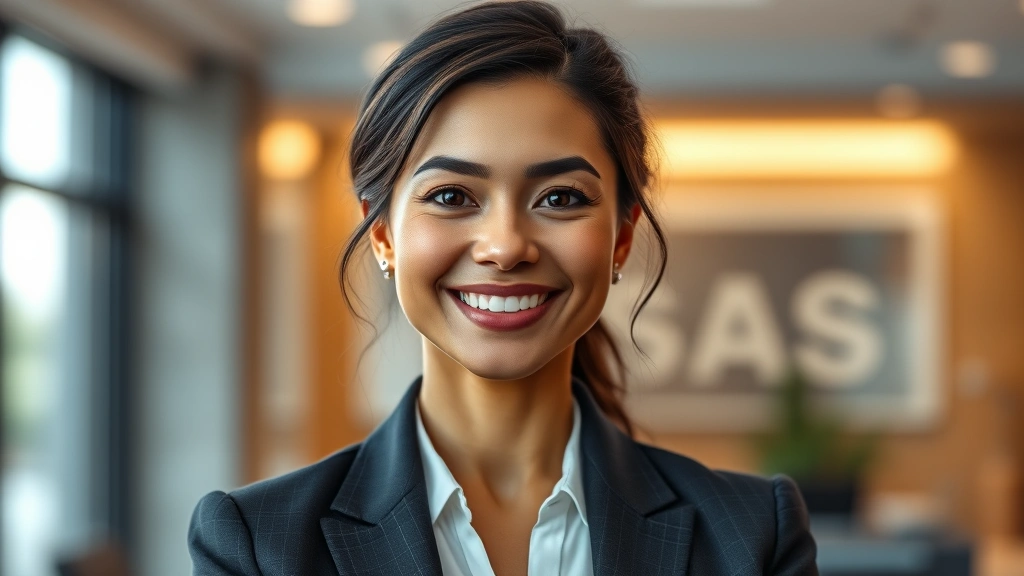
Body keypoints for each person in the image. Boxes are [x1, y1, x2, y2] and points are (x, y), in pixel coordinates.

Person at [188, 2, 818, 574]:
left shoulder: (753, 535)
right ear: (383, 235)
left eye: (561, 198)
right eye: (452, 197)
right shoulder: (258, 546)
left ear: (622, 238)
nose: (506, 245)